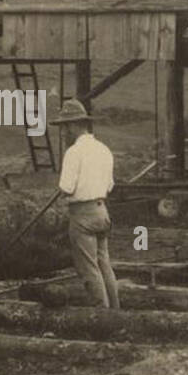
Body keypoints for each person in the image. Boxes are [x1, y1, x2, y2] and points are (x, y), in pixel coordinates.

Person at [53, 98, 120, 309]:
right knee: (104, 264)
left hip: (83, 216)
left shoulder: (73, 152)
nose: (63, 133)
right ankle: (115, 311)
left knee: (88, 268)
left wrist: (61, 193)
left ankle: (101, 314)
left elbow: (66, 187)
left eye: (65, 128)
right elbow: (109, 185)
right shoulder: (104, 149)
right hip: (102, 212)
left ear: (74, 126)